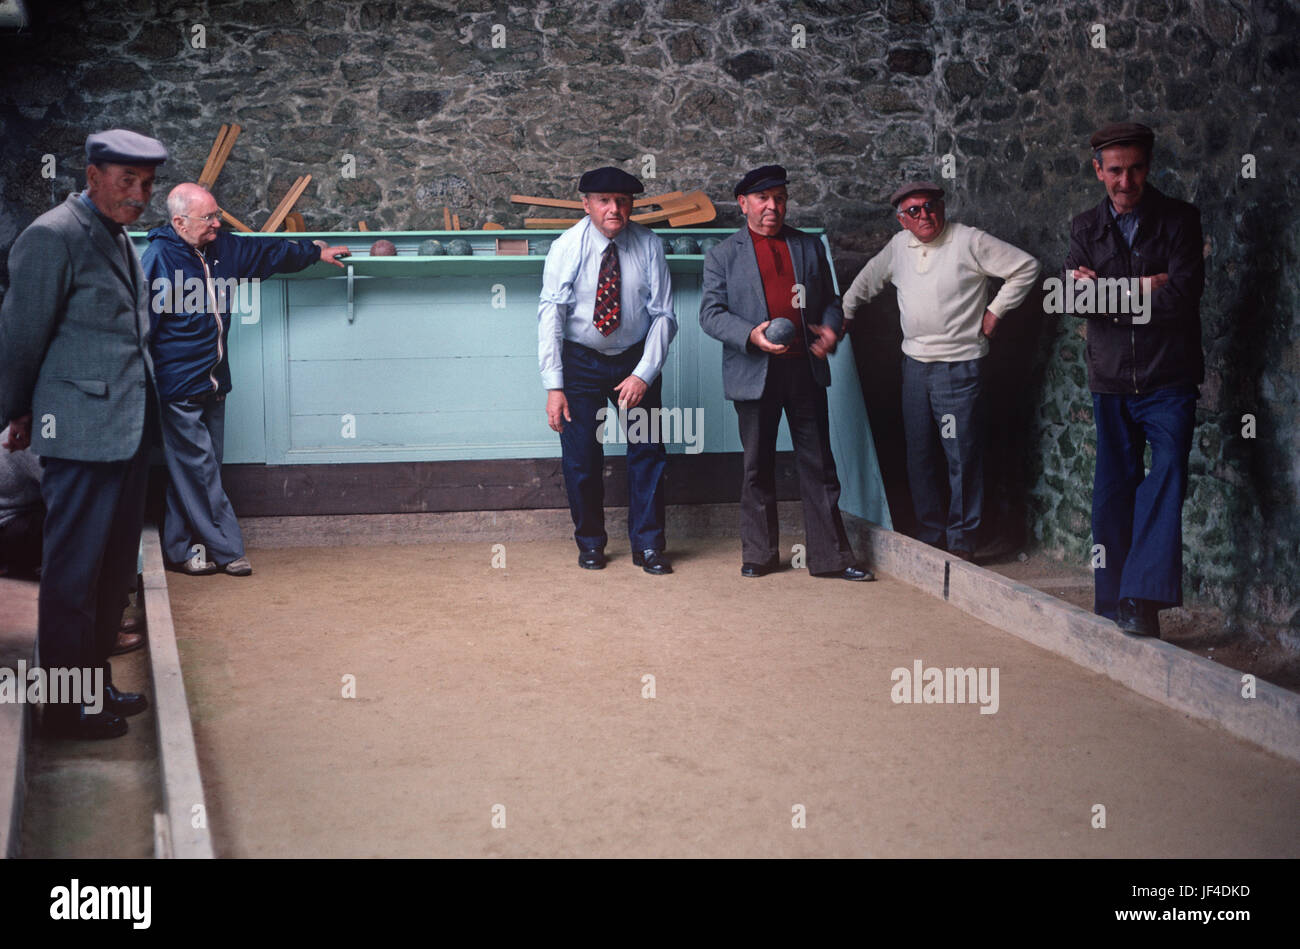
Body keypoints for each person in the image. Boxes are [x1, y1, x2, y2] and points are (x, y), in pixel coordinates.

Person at [0, 129, 167, 739]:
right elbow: (20, 338)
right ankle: (67, 708)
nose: (139, 194)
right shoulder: (53, 235)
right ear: (93, 175)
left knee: (110, 569)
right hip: (77, 435)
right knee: (72, 574)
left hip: (123, 432)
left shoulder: (115, 235)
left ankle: (94, 687)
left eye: (147, 185)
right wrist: (15, 411)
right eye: (127, 181)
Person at [141, 183, 349, 577]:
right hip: (178, 389)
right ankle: (226, 550)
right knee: (199, 469)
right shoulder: (158, 259)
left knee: (200, 471)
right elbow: (139, 328)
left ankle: (180, 548)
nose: (217, 223)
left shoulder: (224, 249)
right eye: (209, 218)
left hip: (216, 385)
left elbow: (268, 252)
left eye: (217, 214)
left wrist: (315, 253)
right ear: (179, 222)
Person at [841, 181, 1040, 561]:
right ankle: (931, 537)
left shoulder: (969, 241)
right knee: (919, 454)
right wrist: (846, 310)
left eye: (930, 205)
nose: (924, 215)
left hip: (959, 366)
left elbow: (1026, 267)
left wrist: (996, 311)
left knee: (961, 457)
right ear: (902, 220)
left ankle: (962, 543)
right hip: (915, 367)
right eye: (913, 211)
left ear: (942, 207)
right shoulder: (899, 247)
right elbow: (868, 278)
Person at [699, 164, 871, 581]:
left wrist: (832, 328)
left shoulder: (809, 247)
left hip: (803, 370)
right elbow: (710, 314)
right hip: (754, 372)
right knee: (757, 465)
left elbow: (831, 300)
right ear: (743, 204)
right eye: (762, 199)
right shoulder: (723, 255)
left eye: (779, 198)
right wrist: (751, 335)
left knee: (819, 465)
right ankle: (759, 554)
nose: (772, 206)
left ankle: (831, 557)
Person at [1066, 122, 1204, 638]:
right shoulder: (1084, 228)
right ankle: (1113, 603)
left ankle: (1140, 601)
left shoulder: (1180, 221)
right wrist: (1146, 287)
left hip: (1170, 378)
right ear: (1098, 170)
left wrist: (1108, 294)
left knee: (1165, 478)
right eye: (1116, 170)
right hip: (1111, 382)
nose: (1127, 181)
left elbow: (1182, 299)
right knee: (1113, 492)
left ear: (1150, 166)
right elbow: (1073, 300)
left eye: (1137, 168)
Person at [538, 166, 678, 574]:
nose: (614, 209)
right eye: (604, 201)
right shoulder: (566, 246)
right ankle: (591, 544)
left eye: (622, 201)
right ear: (586, 204)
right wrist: (554, 385)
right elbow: (551, 316)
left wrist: (643, 374)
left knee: (648, 451)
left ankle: (649, 546)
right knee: (581, 457)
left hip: (635, 357)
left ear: (631, 204)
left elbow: (664, 315)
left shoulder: (649, 244)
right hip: (579, 361)